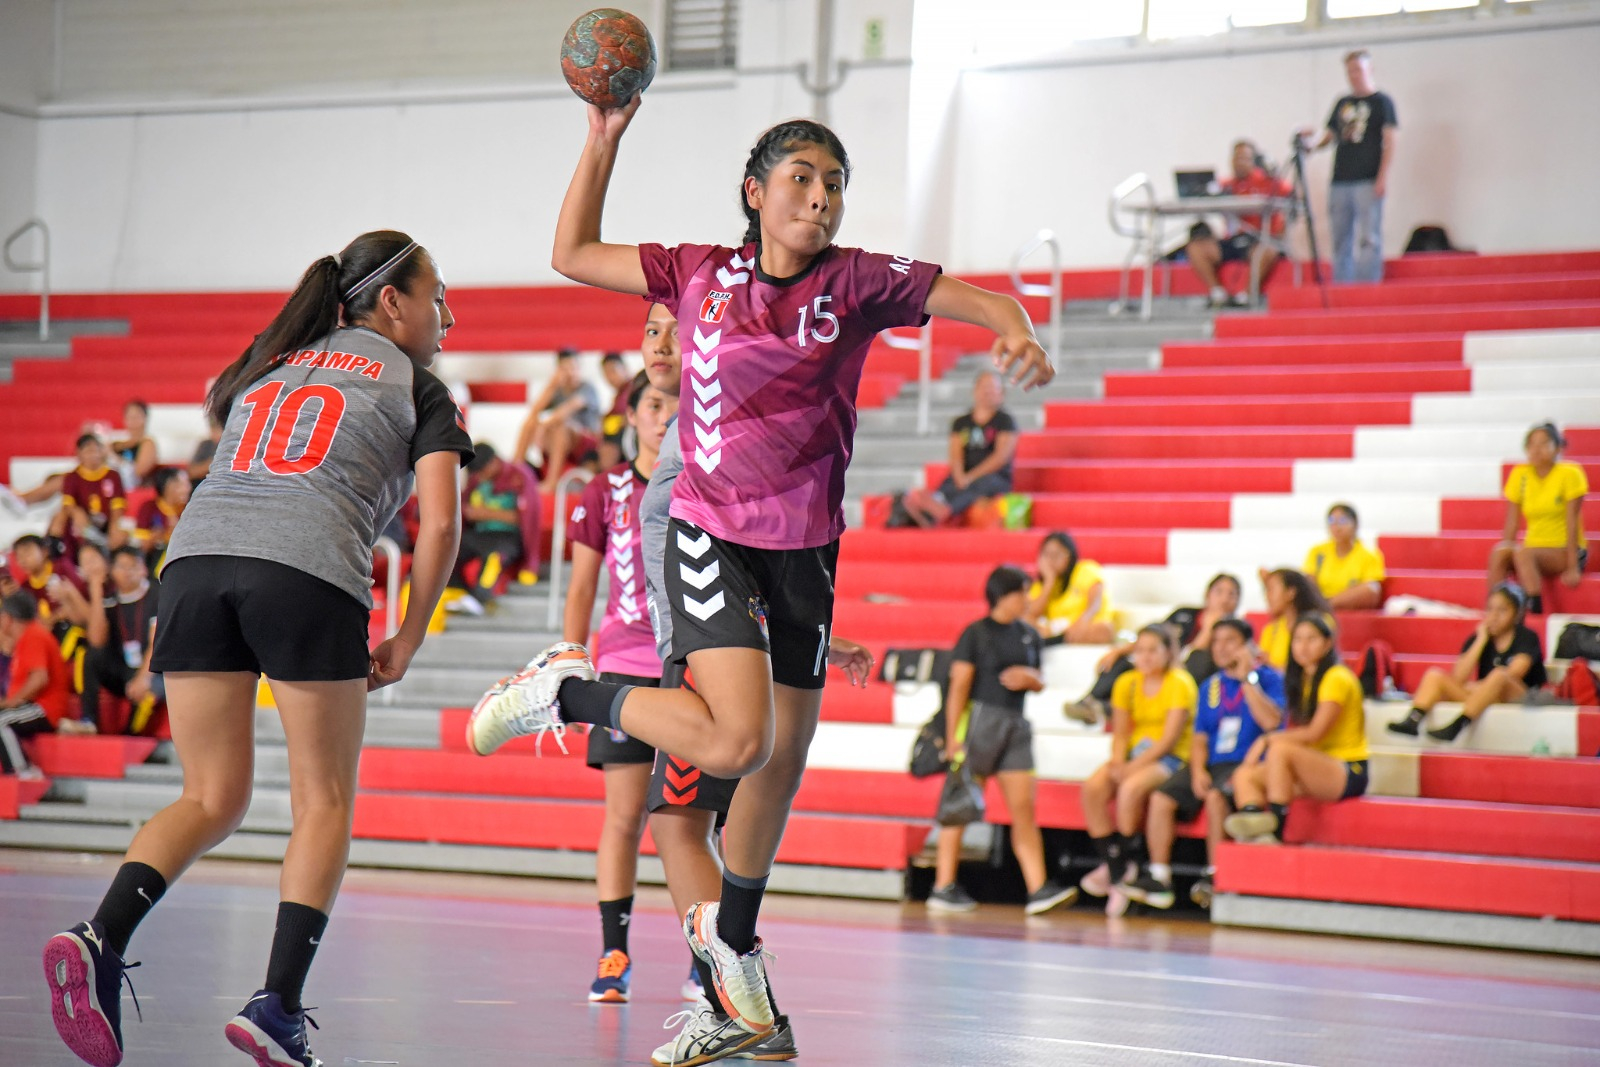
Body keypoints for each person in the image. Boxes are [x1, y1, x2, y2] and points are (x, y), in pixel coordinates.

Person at [466, 100, 1052, 1062]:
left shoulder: (859, 281)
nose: (819, 199)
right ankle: (562, 693)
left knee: (780, 762)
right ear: (756, 190)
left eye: (833, 186)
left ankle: (732, 956)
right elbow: (572, 250)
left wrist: (1016, 326)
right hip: (709, 529)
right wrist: (603, 139)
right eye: (801, 180)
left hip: (808, 551)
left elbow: (979, 299)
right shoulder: (697, 271)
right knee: (739, 739)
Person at [41, 230, 472, 1067]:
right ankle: (276, 1005)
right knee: (323, 802)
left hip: (194, 564)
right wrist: (411, 634)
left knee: (210, 794)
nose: (448, 316)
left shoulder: (272, 360)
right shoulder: (418, 385)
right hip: (305, 568)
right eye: (438, 297)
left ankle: (100, 934)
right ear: (392, 301)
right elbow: (444, 522)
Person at [563, 370, 679, 1002]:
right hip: (625, 666)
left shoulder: (703, 484)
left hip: (690, 668)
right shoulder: (604, 490)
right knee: (625, 815)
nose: (665, 416)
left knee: (694, 820)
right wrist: (571, 663)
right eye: (655, 405)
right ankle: (614, 953)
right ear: (632, 414)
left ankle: (705, 960)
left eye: (677, 406)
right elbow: (582, 587)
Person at [926, 565, 1075, 916]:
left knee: (1024, 808)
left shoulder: (1029, 635)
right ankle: (943, 885)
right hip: (981, 721)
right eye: (1022, 592)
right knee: (960, 805)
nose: (1028, 598)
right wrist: (952, 738)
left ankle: (1037, 888)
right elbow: (959, 685)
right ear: (1003, 595)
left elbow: (1039, 679)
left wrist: (1032, 679)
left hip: (1015, 724)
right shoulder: (976, 633)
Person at [1126, 619, 1283, 910]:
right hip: (1213, 762)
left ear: (1249, 645)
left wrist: (1247, 678)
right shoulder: (1211, 685)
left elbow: (1272, 722)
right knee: (1162, 797)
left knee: (1214, 797)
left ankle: (1216, 878)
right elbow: (1199, 737)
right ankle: (1159, 878)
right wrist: (1197, 770)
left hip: (1247, 765)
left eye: (1230, 641)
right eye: (1216, 641)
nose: (1222, 648)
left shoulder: (1270, 679)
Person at [1078, 625, 1197, 915]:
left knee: (1131, 788)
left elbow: (1169, 740)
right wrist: (1119, 762)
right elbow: (1120, 732)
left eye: (1152, 650)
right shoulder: (1126, 682)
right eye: (1140, 650)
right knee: (1093, 787)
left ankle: (1127, 860)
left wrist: (1131, 769)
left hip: (1171, 757)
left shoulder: (1179, 682)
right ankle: (1117, 867)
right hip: (1134, 753)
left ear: (1168, 652)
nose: (1145, 657)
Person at [1225, 612, 1369, 846]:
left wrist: (1267, 740)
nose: (1303, 646)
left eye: (1311, 639)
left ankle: (1276, 830)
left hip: (1347, 769)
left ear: (1328, 643)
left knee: (1280, 750)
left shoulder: (1336, 677)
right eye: (1298, 639)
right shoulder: (1300, 679)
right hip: (1313, 766)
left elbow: (1314, 733)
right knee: (1244, 775)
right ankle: (1255, 829)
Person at [1066, 572, 1240, 724]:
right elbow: (1154, 634)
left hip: (1187, 679)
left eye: (1231, 594)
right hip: (1160, 664)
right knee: (1123, 661)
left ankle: (1107, 710)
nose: (1224, 599)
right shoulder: (1185, 613)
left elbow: (1194, 656)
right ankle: (1091, 702)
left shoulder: (1235, 630)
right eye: (1219, 592)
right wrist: (1118, 651)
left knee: (1200, 659)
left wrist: (1210, 628)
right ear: (1207, 594)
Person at [1387, 584, 1546, 743]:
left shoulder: (1526, 637)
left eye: (1502, 610)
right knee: (1435, 675)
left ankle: (1458, 725)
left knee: (1499, 675)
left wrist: (1478, 687)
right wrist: (1480, 640)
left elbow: (1515, 673)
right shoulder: (1479, 637)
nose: (1494, 616)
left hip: (1519, 697)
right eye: (1490, 610)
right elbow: (1459, 677)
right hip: (1484, 695)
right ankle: (1413, 720)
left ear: (1516, 614)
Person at [1299, 49, 1398, 284]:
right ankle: (1341, 287)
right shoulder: (1343, 103)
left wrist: (1382, 177)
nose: (1354, 75)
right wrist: (1310, 145)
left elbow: (1390, 141)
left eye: (1358, 70)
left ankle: (1367, 285)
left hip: (1368, 178)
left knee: (1369, 236)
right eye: (1350, 71)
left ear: (1369, 70)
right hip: (1341, 179)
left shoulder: (1381, 102)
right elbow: (1330, 135)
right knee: (1341, 237)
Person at [1489, 422, 1586, 616]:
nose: (1536, 450)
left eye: (1543, 444)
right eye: (1532, 444)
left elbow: (1572, 522)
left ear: (1557, 448)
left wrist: (1572, 566)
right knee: (1500, 552)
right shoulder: (1520, 474)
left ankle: (1534, 607)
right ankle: (1494, 609)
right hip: (1530, 551)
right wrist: (1506, 550)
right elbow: (1512, 522)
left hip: (1563, 549)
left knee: (1523, 553)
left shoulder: (1570, 473)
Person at [898, 371, 1018, 528]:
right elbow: (955, 455)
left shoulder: (1005, 421)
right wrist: (960, 475)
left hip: (994, 477)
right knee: (950, 484)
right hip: (965, 474)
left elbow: (1001, 457)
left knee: (980, 485)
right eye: (983, 387)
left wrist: (970, 477)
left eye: (992, 388)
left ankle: (945, 511)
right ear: (974, 391)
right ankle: (928, 509)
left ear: (1001, 394)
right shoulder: (961, 422)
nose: (987, 392)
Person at [1183, 139, 1293, 308]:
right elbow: (1202, 195)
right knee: (1196, 247)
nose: (1238, 163)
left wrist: (1281, 229)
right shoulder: (1225, 185)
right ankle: (1218, 293)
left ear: (1253, 161)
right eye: (1235, 158)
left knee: (1267, 250)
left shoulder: (1268, 182)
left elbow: (1292, 199)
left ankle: (1246, 296)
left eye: (1244, 158)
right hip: (1234, 239)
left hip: (1259, 238)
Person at [445, 442, 539, 616]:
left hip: (509, 536)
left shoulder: (519, 476)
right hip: (480, 533)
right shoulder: (477, 480)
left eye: (482, 471)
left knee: (495, 557)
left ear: (494, 461)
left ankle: (479, 598)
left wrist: (485, 513)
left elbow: (525, 518)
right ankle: (458, 592)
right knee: (449, 548)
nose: (480, 477)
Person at [80, 546, 164, 736]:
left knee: (148, 690)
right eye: (121, 567)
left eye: (133, 566)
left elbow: (156, 642)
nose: (127, 572)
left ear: (144, 568)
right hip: (122, 669)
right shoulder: (110, 597)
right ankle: (88, 721)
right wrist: (95, 589)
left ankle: (130, 739)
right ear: (112, 570)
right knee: (90, 655)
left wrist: (143, 677)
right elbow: (96, 640)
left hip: (153, 669)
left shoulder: (159, 594)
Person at [0, 593, 74, 777]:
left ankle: (24, 772)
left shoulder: (34, 636)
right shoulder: (27, 637)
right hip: (33, 705)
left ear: (8, 619)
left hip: (45, 708)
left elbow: (39, 679)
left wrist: (10, 703)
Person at [515, 348, 603, 492]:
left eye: (573, 367)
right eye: (565, 368)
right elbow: (534, 412)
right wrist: (552, 385)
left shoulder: (587, 388)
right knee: (531, 424)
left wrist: (543, 427)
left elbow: (568, 409)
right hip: (560, 439)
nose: (570, 372)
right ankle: (515, 469)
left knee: (560, 425)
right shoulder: (558, 390)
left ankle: (552, 481)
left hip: (587, 442)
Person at [1024, 531, 1115, 645]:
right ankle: (1058, 639)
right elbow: (1031, 614)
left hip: (1085, 626)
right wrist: (1049, 582)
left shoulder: (1085, 569)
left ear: (1069, 556)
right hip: (1054, 629)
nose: (1050, 561)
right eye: (1046, 555)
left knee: (1104, 630)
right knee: (1025, 622)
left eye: (1056, 555)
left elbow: (1095, 602)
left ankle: (1057, 639)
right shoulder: (1040, 584)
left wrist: (1082, 622)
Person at [49, 433, 128, 555]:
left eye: (96, 450)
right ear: (79, 454)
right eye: (88, 451)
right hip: (84, 521)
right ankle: (58, 555)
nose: (93, 455)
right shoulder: (72, 477)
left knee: (121, 531)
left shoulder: (112, 475)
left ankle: (111, 556)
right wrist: (77, 513)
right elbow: (68, 504)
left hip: (105, 521)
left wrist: (114, 525)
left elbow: (118, 505)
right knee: (59, 518)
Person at [1304, 502, 1385, 610]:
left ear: (1355, 524)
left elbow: (1370, 590)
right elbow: (1310, 579)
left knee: (1372, 588)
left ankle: (1327, 605)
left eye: (1342, 521)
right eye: (1332, 521)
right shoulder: (1317, 551)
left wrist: (1331, 602)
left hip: (1350, 606)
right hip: (1320, 601)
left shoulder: (1370, 554)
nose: (1336, 527)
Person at [8, 534, 89, 628]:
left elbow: (82, 597)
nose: (22, 561)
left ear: (44, 552)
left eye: (27, 554)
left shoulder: (62, 568)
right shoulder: (25, 588)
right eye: (19, 557)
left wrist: (54, 617)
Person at [1258, 568, 1329, 671]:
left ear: (1290, 593)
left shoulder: (1322, 622)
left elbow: (1314, 668)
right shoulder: (1271, 630)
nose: (1267, 596)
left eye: (1271, 589)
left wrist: (1273, 666)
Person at [133, 467, 190, 572]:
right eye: (183, 484)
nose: (188, 489)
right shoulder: (149, 507)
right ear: (169, 486)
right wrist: (157, 536)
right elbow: (141, 546)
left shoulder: (190, 508)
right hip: (154, 557)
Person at [109, 400, 160, 490]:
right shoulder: (117, 445)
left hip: (138, 490)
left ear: (145, 418)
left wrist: (116, 459)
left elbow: (138, 474)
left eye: (136, 416)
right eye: (130, 417)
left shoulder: (148, 444)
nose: (133, 420)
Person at [597, 350, 635, 470]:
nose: (610, 377)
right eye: (606, 374)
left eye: (613, 371)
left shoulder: (634, 388)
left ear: (624, 369)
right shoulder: (618, 395)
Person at [187, 414, 225, 487]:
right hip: (204, 488)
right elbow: (192, 472)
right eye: (213, 429)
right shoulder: (206, 445)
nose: (216, 434)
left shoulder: (232, 445)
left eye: (218, 429)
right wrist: (213, 463)